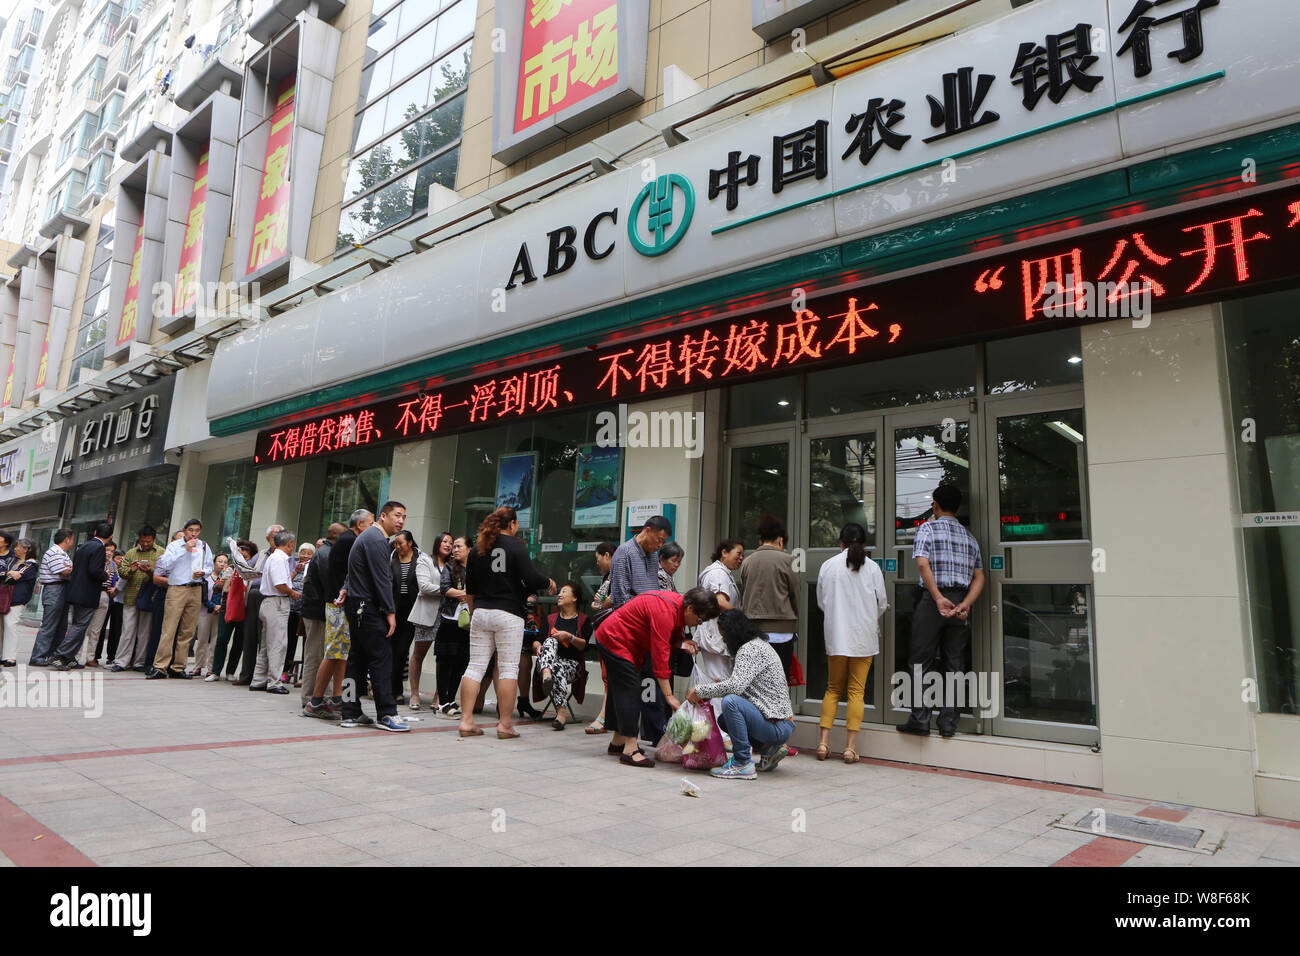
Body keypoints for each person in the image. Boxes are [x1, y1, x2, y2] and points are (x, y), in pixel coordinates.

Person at [458, 506, 554, 740]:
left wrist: (473, 612)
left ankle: (466, 721)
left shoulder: (478, 548)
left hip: (481, 611)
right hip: (509, 613)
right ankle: (505, 725)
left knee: (475, 666)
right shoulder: (515, 546)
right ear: (511, 524)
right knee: (509, 667)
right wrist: (548, 581)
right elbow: (531, 578)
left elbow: (469, 588)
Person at [899, 484, 985, 739]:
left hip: (932, 601)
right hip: (959, 602)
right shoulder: (969, 537)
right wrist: (966, 603)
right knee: (954, 662)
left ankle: (920, 719)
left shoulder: (927, 528)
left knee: (920, 661)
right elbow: (980, 576)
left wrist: (937, 597)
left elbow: (922, 563)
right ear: (957, 508)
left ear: (935, 505)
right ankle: (948, 723)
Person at [597, 587, 717, 767]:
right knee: (630, 689)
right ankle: (630, 749)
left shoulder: (677, 606)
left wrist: (683, 643)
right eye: (700, 620)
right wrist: (669, 696)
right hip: (614, 638)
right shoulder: (665, 611)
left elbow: (672, 638)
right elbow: (660, 656)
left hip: (624, 642)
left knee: (618, 688)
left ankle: (618, 742)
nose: (697, 625)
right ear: (690, 609)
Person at [687, 609, 796, 780]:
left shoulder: (749, 649)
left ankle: (742, 762)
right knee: (725, 719)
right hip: (781, 723)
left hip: (778, 726)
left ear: (733, 633)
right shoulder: (757, 645)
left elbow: (736, 687)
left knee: (731, 702)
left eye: (724, 636)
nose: (723, 641)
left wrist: (700, 691)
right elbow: (744, 685)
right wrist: (719, 684)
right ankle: (769, 749)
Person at [816, 523, 887, 763]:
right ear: (864, 544)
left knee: (833, 689)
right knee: (856, 692)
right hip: (863, 639)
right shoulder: (873, 568)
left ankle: (823, 743)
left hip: (837, 637)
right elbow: (882, 603)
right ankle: (849, 748)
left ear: (841, 543)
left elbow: (821, 602)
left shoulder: (828, 566)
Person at [339, 501, 409, 731]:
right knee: (382, 658)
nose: (400, 520)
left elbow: (354, 570)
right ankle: (387, 713)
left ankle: (349, 711)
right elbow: (382, 579)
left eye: (404, 517)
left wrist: (345, 589)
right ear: (383, 516)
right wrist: (390, 612)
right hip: (367, 608)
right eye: (397, 515)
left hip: (356, 606)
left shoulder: (368, 537)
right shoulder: (377, 539)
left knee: (355, 660)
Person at [609, 515, 673, 746]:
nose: (659, 546)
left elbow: (654, 593)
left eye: (662, 542)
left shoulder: (653, 555)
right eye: (658, 540)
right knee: (628, 687)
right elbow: (620, 598)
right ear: (647, 530)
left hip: (647, 631)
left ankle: (629, 738)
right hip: (628, 631)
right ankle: (626, 741)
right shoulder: (624, 553)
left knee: (648, 684)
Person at [149, 519, 214, 679]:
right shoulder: (174, 546)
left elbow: (210, 566)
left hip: (196, 588)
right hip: (177, 588)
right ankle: (160, 666)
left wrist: (204, 572)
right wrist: (185, 549)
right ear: (184, 530)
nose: (194, 534)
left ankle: (178, 667)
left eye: (197, 530)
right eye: (191, 530)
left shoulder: (204, 546)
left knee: (188, 630)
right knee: (169, 628)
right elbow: (165, 565)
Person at [739, 513, 800, 681]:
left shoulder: (748, 562)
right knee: (779, 681)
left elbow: (746, 589)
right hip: (782, 631)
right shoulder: (789, 560)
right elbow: (795, 594)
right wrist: (794, 616)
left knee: (756, 682)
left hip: (753, 630)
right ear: (781, 540)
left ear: (760, 540)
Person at [691, 540, 744, 719]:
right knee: (719, 684)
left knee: (722, 683)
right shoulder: (717, 573)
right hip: (715, 637)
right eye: (738, 554)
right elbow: (720, 601)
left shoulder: (722, 573)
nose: (741, 559)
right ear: (724, 553)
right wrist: (743, 620)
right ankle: (722, 734)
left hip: (719, 637)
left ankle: (721, 732)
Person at [54, 524, 113, 670]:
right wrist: (105, 575)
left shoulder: (84, 546)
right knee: (80, 625)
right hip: (88, 593)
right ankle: (60, 655)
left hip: (76, 591)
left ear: (95, 532)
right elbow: (94, 570)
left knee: (78, 624)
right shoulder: (99, 548)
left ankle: (69, 657)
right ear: (110, 536)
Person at [298, 523, 344, 708]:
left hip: (316, 610)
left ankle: (316, 695)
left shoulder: (325, 551)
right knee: (315, 655)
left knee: (319, 654)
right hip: (317, 612)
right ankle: (309, 696)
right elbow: (328, 583)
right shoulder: (326, 554)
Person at [235, 523, 284, 686]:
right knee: (250, 636)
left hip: (272, 597)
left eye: (279, 536)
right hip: (255, 595)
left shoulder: (285, 555)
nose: (276, 540)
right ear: (267, 539)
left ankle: (267, 677)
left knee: (269, 639)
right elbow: (246, 569)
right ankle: (246, 675)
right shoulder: (262, 554)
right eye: (273, 537)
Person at [250, 530, 298, 694]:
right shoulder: (279, 559)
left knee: (266, 644)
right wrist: (293, 593)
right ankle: (274, 682)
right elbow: (280, 584)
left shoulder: (275, 558)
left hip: (269, 602)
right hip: (276, 602)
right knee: (278, 644)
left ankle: (259, 679)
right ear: (290, 544)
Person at [534, 582, 586, 730]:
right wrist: (538, 647)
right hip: (550, 663)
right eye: (560, 592)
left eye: (564, 592)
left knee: (557, 666)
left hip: (573, 666)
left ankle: (547, 674)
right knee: (550, 641)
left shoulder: (582, 620)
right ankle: (561, 714)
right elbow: (537, 641)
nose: (559, 594)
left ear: (575, 598)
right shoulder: (551, 619)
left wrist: (569, 637)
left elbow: (585, 646)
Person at [112, 527, 165, 671]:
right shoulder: (131, 552)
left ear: (154, 539)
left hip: (149, 598)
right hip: (130, 597)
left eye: (148, 541)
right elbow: (122, 572)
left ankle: (139, 662)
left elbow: (164, 573)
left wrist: (149, 571)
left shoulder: (161, 552)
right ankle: (121, 662)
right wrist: (131, 570)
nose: (145, 544)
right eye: (142, 541)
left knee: (144, 632)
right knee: (127, 631)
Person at [408, 531, 449, 712]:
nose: (448, 545)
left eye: (451, 542)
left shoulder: (454, 565)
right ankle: (415, 693)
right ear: (437, 543)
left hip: (447, 616)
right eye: (445, 541)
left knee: (443, 657)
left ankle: (438, 696)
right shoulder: (425, 560)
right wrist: (448, 591)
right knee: (419, 654)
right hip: (427, 614)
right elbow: (424, 587)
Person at [430, 535, 469, 720]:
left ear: (470, 549)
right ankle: (443, 702)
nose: (455, 549)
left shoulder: (475, 568)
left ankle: (451, 699)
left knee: (460, 662)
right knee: (445, 661)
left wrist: (467, 596)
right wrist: (464, 594)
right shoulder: (449, 567)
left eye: (459, 546)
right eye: (454, 546)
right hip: (449, 619)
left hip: (468, 622)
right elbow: (445, 588)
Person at [583, 540, 616, 735]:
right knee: (606, 676)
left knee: (610, 676)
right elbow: (597, 603)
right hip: (605, 629)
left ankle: (605, 716)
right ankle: (606, 715)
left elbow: (600, 603)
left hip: (613, 631)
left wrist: (601, 603)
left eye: (598, 559)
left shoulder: (617, 576)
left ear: (607, 555)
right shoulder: (608, 577)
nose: (598, 564)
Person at [212, 540, 257, 681]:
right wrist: (220, 585)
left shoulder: (253, 572)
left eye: (246, 557)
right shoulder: (230, 569)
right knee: (222, 639)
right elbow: (216, 587)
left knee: (239, 642)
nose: (242, 559)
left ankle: (231, 671)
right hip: (228, 608)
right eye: (240, 556)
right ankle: (215, 671)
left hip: (246, 610)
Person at [29, 529, 75, 666]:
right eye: (72, 539)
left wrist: (69, 570)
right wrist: (70, 569)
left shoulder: (62, 554)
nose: (72, 542)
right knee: (49, 625)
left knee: (61, 626)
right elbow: (64, 571)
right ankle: (38, 657)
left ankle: (53, 655)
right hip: (55, 589)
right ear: (67, 539)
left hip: (61, 588)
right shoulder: (55, 552)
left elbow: (67, 571)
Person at [389, 531, 419, 705]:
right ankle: (394, 689)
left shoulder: (420, 559)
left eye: (400, 543)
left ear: (410, 543)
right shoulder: (391, 558)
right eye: (396, 543)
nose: (397, 546)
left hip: (412, 609)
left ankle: (396, 689)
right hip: (393, 608)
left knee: (401, 650)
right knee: (392, 649)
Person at [82, 542, 121, 666]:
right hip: (90, 593)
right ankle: (74, 655)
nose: (109, 553)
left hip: (104, 595)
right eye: (107, 550)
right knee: (82, 626)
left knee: (96, 629)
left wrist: (115, 587)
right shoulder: (94, 561)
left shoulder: (113, 565)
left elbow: (119, 578)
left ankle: (90, 657)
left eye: (112, 551)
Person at [1, 539, 39, 666]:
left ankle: (10, 657)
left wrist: (8, 574)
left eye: (17, 547)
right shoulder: (14, 561)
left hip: (16, 599)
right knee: (5, 627)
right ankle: (4, 655)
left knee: (11, 626)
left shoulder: (30, 564)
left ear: (26, 549)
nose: (15, 549)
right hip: (7, 598)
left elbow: (13, 577)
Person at [190, 553, 228, 677]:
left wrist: (220, 607)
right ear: (214, 562)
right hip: (205, 612)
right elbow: (202, 596)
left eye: (225, 562)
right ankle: (198, 666)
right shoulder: (206, 578)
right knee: (202, 639)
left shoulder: (228, 579)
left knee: (215, 641)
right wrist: (213, 606)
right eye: (220, 561)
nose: (222, 564)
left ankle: (211, 667)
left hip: (220, 613)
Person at [283, 542, 315, 682]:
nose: (305, 556)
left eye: (309, 553)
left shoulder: (314, 567)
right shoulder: (292, 564)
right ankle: (285, 670)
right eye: (303, 552)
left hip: (306, 610)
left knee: (307, 643)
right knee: (289, 641)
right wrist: (295, 571)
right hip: (291, 608)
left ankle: (304, 675)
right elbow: (285, 582)